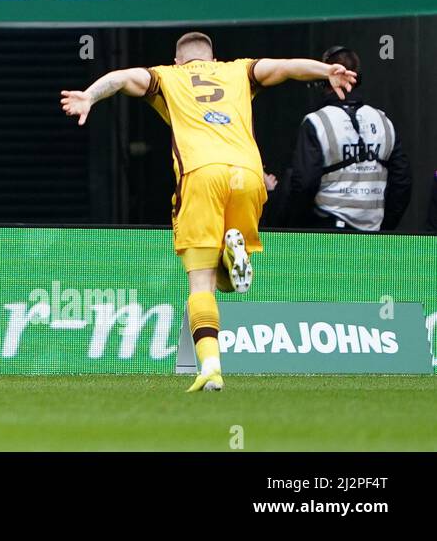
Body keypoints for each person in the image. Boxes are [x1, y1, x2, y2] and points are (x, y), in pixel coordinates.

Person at [60, 31, 357, 393]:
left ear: (176, 61)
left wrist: (89, 95)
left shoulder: (165, 77)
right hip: (249, 177)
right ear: (214, 61)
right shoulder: (239, 71)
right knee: (228, 282)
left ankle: (212, 368)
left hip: (201, 175)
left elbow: (122, 78)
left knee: (201, 283)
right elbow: (285, 68)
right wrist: (325, 70)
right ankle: (233, 260)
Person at [284, 47, 411, 231]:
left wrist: (297, 228)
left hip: (328, 232)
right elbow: (402, 182)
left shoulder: (317, 122)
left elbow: (303, 184)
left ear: (325, 78)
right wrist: (385, 227)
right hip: (373, 234)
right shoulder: (383, 121)